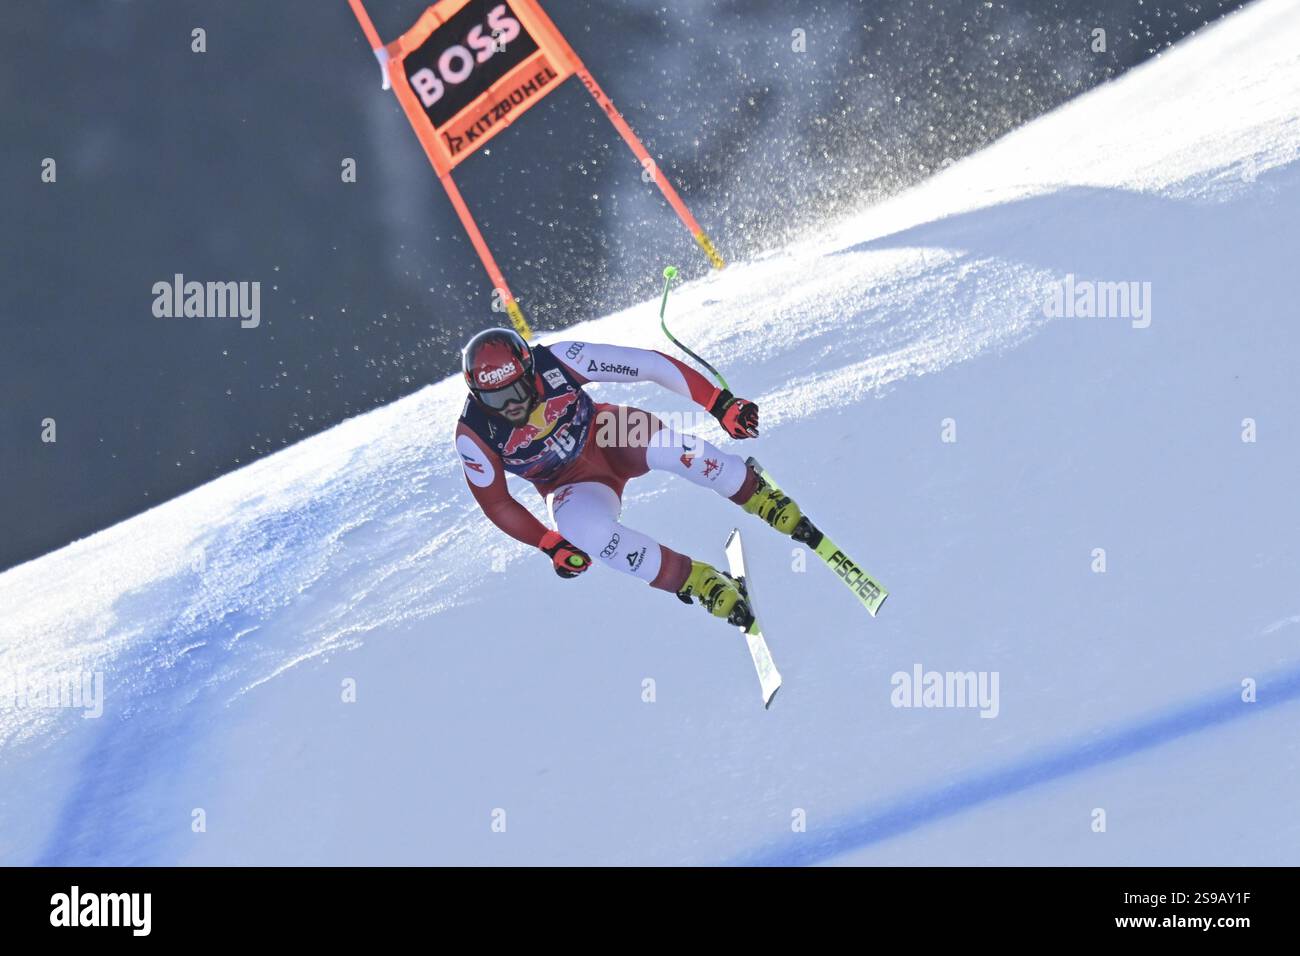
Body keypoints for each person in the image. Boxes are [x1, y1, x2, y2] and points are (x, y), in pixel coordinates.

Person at [454, 328, 804, 627]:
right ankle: (697, 581)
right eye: (494, 398)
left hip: (608, 434)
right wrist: (548, 543)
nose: (510, 406)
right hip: (566, 485)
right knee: (584, 532)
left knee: (671, 449)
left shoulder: (559, 360)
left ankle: (754, 493)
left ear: (530, 370)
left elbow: (649, 365)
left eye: (516, 391)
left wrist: (717, 402)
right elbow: (497, 503)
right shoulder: (474, 434)